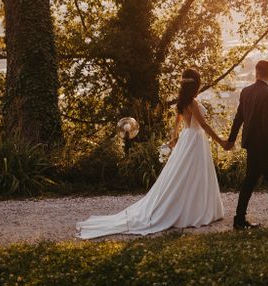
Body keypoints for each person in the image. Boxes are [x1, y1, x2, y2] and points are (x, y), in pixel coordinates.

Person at [76, 68, 225, 239]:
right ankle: (196, 210)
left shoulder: (182, 102)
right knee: (196, 175)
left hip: (186, 139)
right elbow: (204, 126)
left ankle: (189, 207)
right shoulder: (193, 103)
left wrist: (174, 138)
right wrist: (221, 142)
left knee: (184, 176)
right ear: (196, 85)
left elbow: (178, 121)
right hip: (195, 141)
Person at [225, 59, 268, 229]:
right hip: (264, 146)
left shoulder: (246, 91)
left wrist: (231, 139)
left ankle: (239, 219)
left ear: (256, 72)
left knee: (249, 181)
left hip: (250, 145)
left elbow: (239, 117)